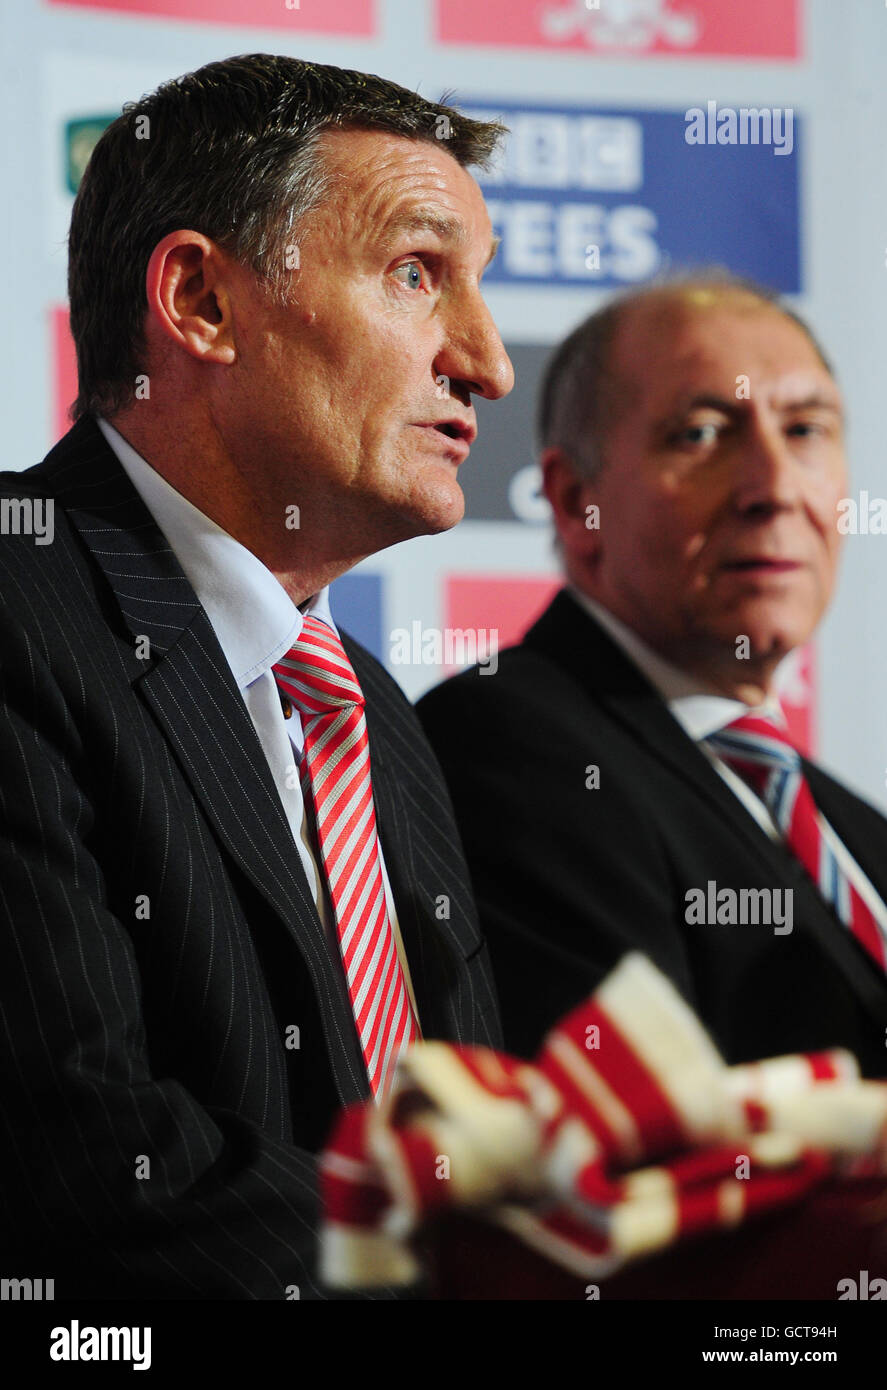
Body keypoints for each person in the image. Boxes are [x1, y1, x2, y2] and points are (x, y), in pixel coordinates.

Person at [0, 53, 513, 1299]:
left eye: (477, 290)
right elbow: (74, 1163)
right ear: (201, 304)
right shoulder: (19, 608)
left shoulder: (370, 714)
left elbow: (466, 1143)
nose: (488, 363)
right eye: (414, 273)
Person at [418, 276, 887, 1074]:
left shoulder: (857, 829)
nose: (772, 489)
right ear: (574, 501)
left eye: (805, 429)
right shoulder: (512, 745)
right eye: (702, 434)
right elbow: (638, 1141)